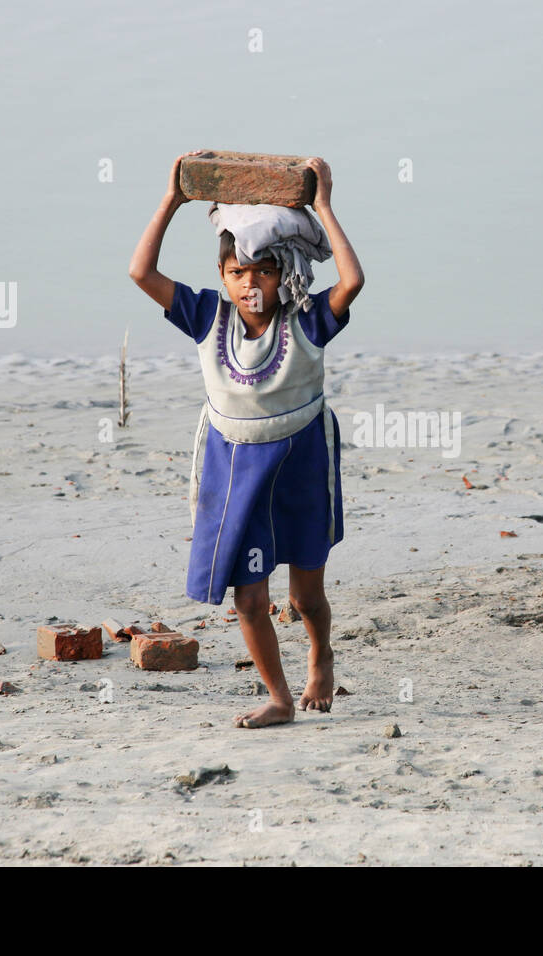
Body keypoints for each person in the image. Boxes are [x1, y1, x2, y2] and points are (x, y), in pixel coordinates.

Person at [129, 151, 365, 727]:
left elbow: (353, 279)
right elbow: (140, 273)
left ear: (285, 273)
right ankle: (280, 698)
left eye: (263, 270)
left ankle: (320, 654)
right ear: (222, 277)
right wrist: (172, 200)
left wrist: (325, 208)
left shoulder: (306, 321)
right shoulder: (207, 316)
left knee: (305, 597)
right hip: (233, 468)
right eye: (237, 272)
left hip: (300, 462)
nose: (250, 283)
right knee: (250, 599)